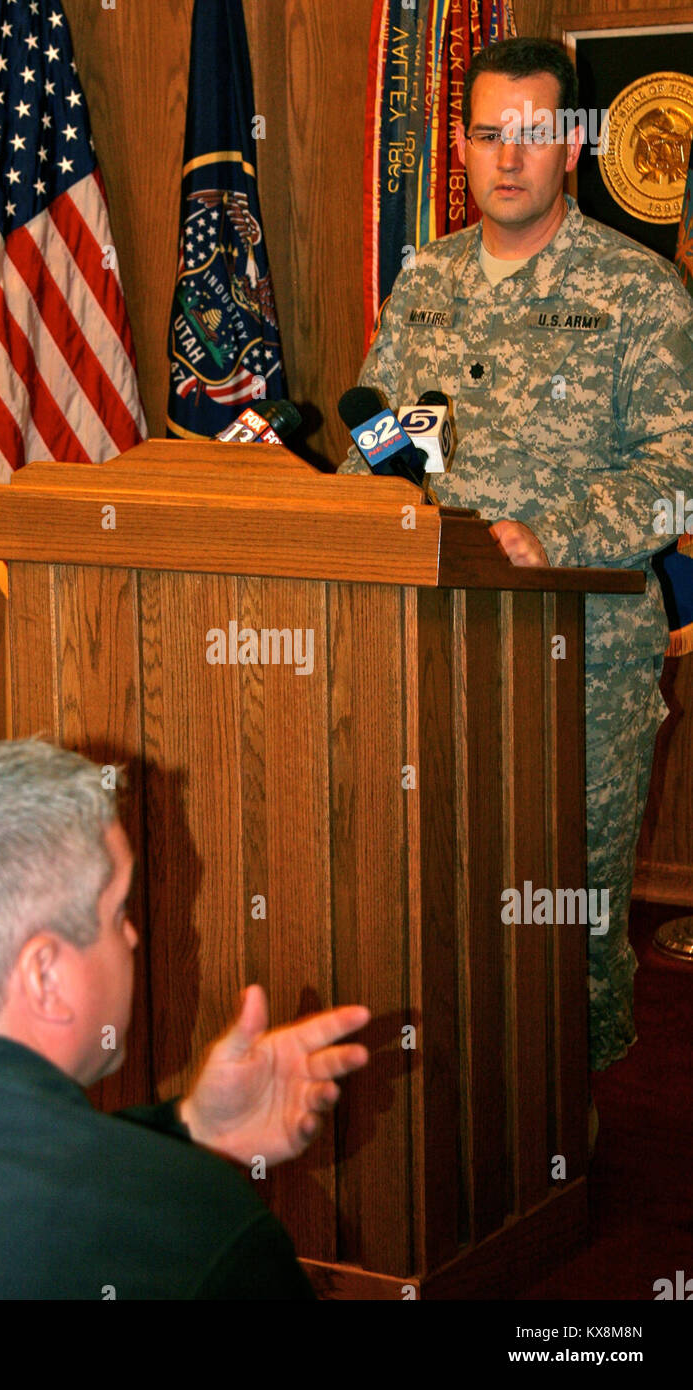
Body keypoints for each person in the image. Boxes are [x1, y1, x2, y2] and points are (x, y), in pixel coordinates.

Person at [341, 38, 693, 1074]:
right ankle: (465, 1138)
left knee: (566, 915)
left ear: (573, 145)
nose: (508, 158)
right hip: (432, 639)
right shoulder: (426, 281)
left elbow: (677, 471)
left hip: (579, 652)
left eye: (533, 136)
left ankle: (565, 1155)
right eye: (489, 135)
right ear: (460, 146)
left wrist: (555, 536)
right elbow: (379, 432)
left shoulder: (640, 292)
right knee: (439, 898)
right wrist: (369, 489)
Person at [0, 738, 369, 1299]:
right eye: (119, 911)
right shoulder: (192, 1235)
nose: (133, 936)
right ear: (45, 977)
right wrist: (178, 1176)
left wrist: (191, 1131)